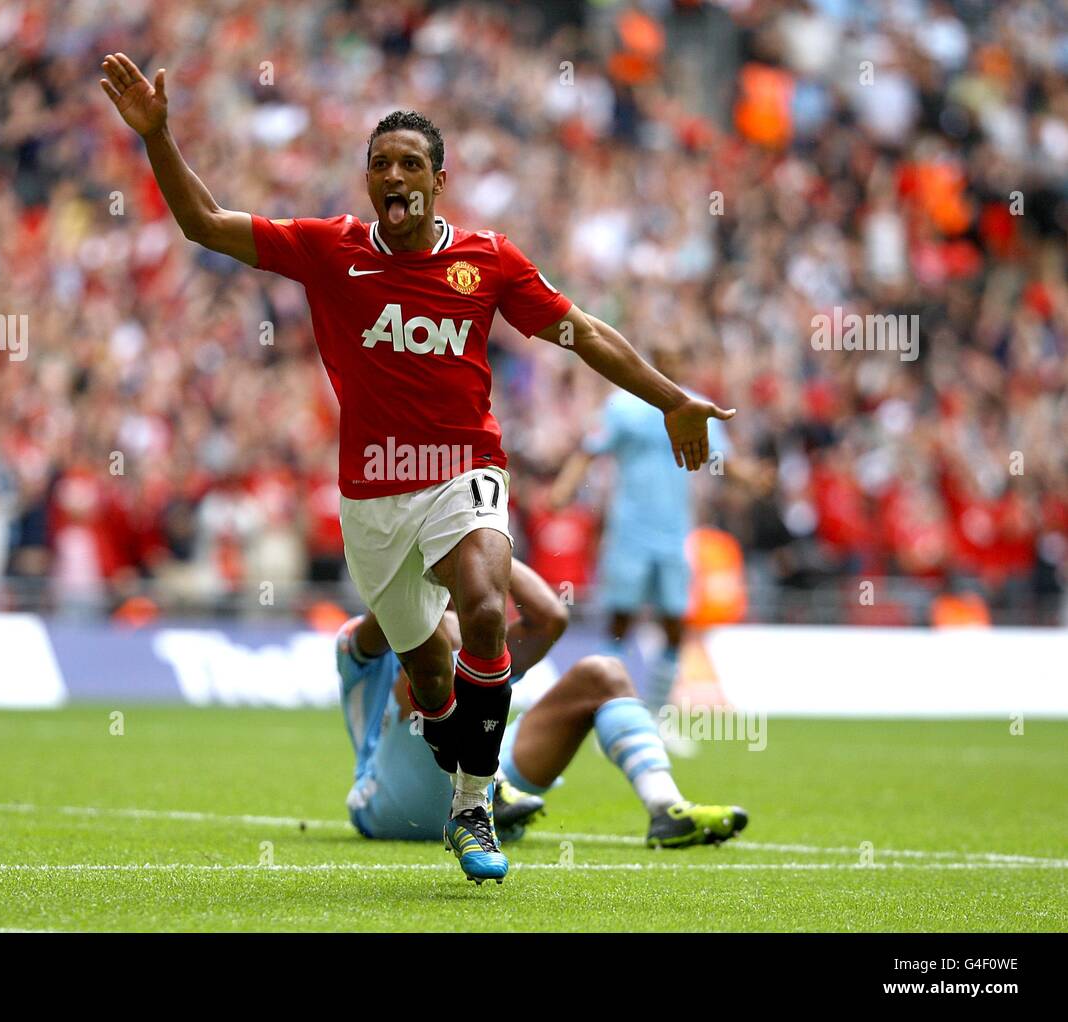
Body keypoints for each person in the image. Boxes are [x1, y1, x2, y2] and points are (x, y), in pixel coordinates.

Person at [101, 54, 736, 882]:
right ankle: (463, 765)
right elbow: (205, 224)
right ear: (367, 181)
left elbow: (585, 333)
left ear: (439, 181)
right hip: (372, 501)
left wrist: (670, 399)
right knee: (431, 675)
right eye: (380, 164)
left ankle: (474, 807)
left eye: (411, 164)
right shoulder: (330, 248)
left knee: (481, 603)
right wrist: (159, 138)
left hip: (464, 470)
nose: (394, 175)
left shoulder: (489, 261)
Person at [336, 557, 748, 883]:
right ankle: (487, 786)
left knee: (602, 675)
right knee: (435, 650)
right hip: (391, 802)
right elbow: (390, 617)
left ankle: (665, 808)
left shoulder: (478, 630)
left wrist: (477, 544)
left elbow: (551, 617)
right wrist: (425, 553)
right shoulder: (363, 635)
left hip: (485, 764)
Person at [551, 346, 753, 732]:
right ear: (651, 363)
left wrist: (750, 478)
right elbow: (589, 450)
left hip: (675, 534)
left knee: (675, 624)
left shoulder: (696, 406)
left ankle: (659, 718)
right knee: (619, 623)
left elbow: (719, 458)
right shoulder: (623, 407)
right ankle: (608, 715)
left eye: (679, 359)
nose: (674, 365)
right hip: (629, 532)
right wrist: (565, 488)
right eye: (666, 359)